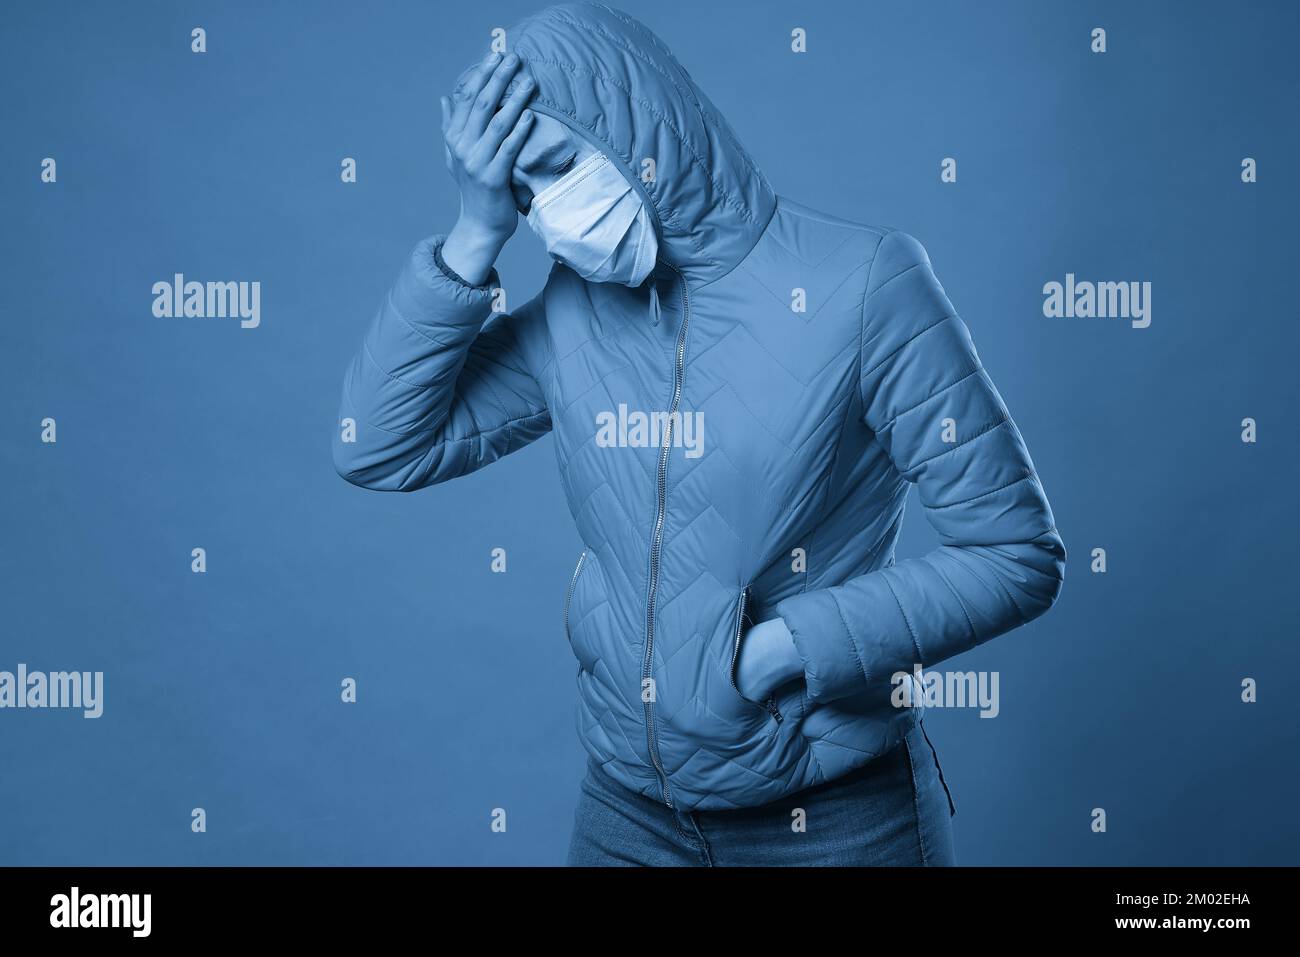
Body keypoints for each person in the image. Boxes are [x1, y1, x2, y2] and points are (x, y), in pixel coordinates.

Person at [333, 2, 1065, 866]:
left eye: (560, 166)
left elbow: (1016, 554)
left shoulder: (864, 284)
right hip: (627, 813)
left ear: (644, 129)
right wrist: (475, 231)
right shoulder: (574, 310)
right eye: (523, 196)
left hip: (835, 820)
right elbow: (377, 444)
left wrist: (787, 651)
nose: (550, 214)